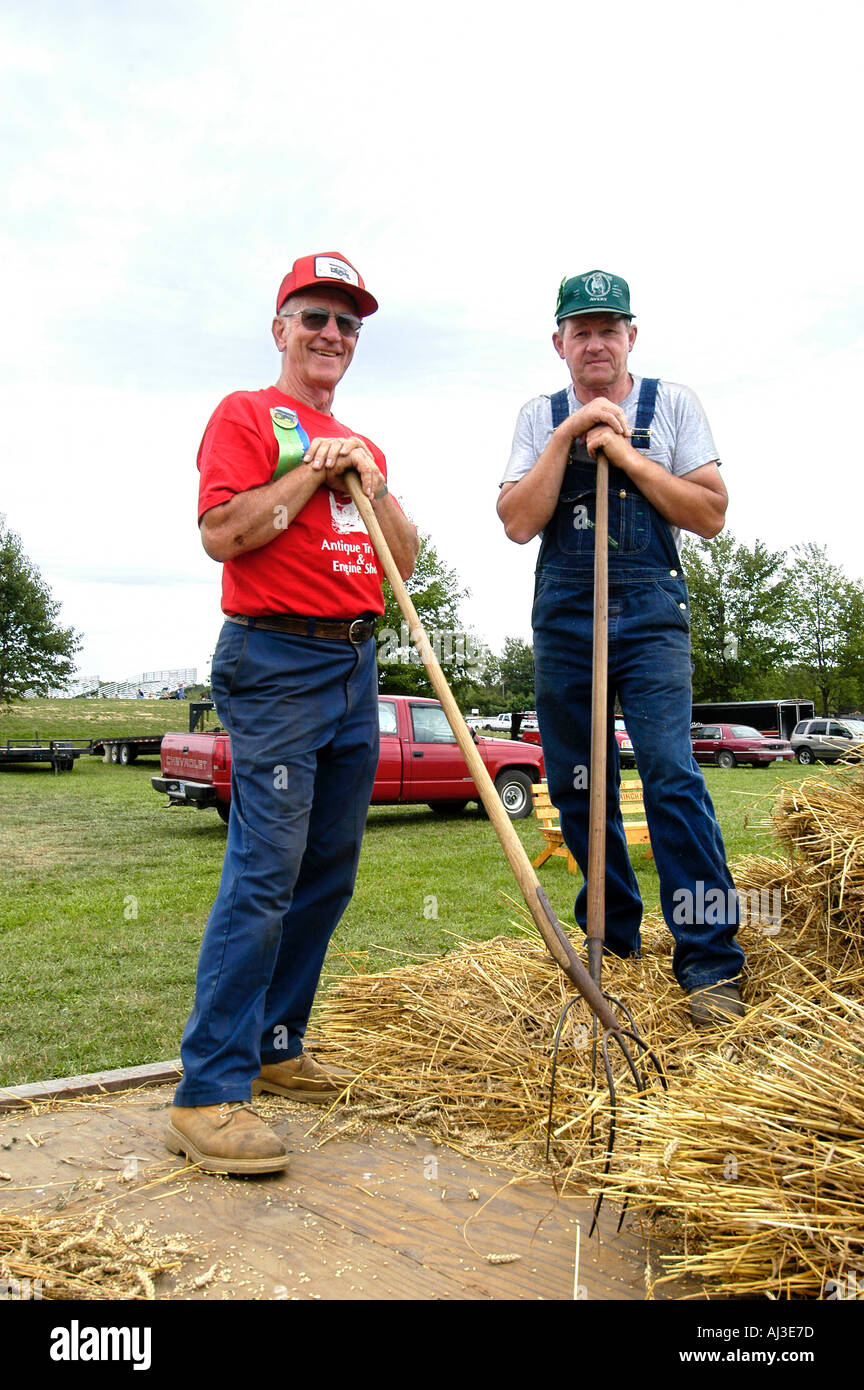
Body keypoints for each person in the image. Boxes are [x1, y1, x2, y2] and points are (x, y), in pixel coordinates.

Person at [167, 252, 418, 1173]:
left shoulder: (367, 448)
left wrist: (370, 480)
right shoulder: (246, 415)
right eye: (315, 317)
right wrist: (312, 474)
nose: (332, 336)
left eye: (348, 324)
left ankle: (275, 1042)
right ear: (281, 327)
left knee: (329, 867)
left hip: (356, 657)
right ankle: (208, 1090)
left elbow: (406, 563)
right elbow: (222, 534)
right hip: (275, 657)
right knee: (266, 868)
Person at [497, 269, 745, 1026]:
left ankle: (710, 961)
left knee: (670, 773)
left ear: (630, 336)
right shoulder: (539, 416)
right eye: (582, 330)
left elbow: (709, 514)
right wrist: (572, 436)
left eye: (610, 328)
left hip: (647, 613)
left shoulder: (671, 405)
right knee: (578, 783)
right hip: (567, 618)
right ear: (560, 343)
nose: (596, 342)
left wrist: (629, 456)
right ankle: (613, 942)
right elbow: (516, 519)